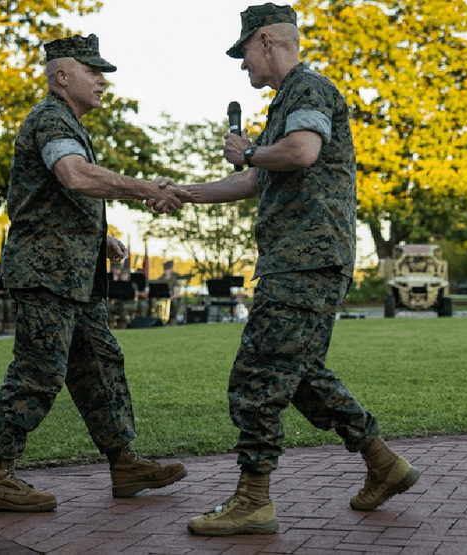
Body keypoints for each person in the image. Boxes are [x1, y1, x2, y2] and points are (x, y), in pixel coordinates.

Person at [174, 4, 420, 536]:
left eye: (244, 52)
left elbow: (302, 152)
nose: (243, 64)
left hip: (303, 260)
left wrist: (249, 152)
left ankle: (253, 500)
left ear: (266, 41)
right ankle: (384, 464)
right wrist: (187, 193)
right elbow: (260, 178)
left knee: (256, 376)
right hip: (304, 259)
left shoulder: (308, 89)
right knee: (302, 375)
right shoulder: (288, 99)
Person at [0, 33, 193, 513]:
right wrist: (146, 188)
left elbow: (56, 199)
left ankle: (124, 463)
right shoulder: (51, 118)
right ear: (61, 76)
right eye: (92, 71)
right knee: (38, 372)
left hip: (76, 278)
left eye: (103, 72)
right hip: (47, 276)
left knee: (100, 366)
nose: (102, 80)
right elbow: (73, 175)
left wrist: (100, 237)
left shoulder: (68, 122)